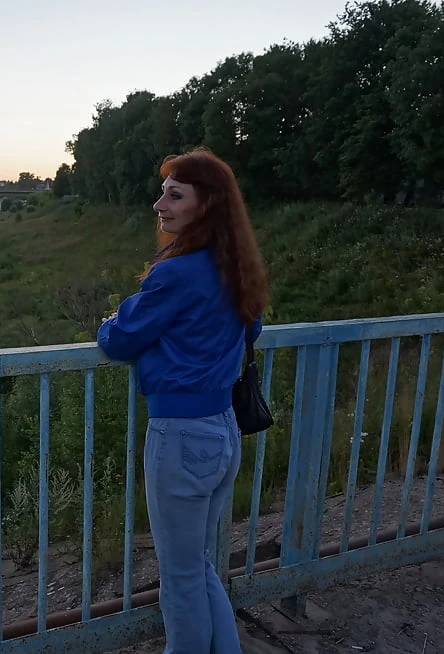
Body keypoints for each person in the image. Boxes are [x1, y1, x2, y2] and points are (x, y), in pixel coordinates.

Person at [96, 147, 269, 653]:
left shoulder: (177, 273)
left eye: (174, 195)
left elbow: (120, 339)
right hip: (222, 432)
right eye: (162, 193)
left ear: (206, 205)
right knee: (197, 565)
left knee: (179, 576)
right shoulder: (234, 266)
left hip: (180, 437)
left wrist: (109, 322)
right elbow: (252, 325)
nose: (159, 205)